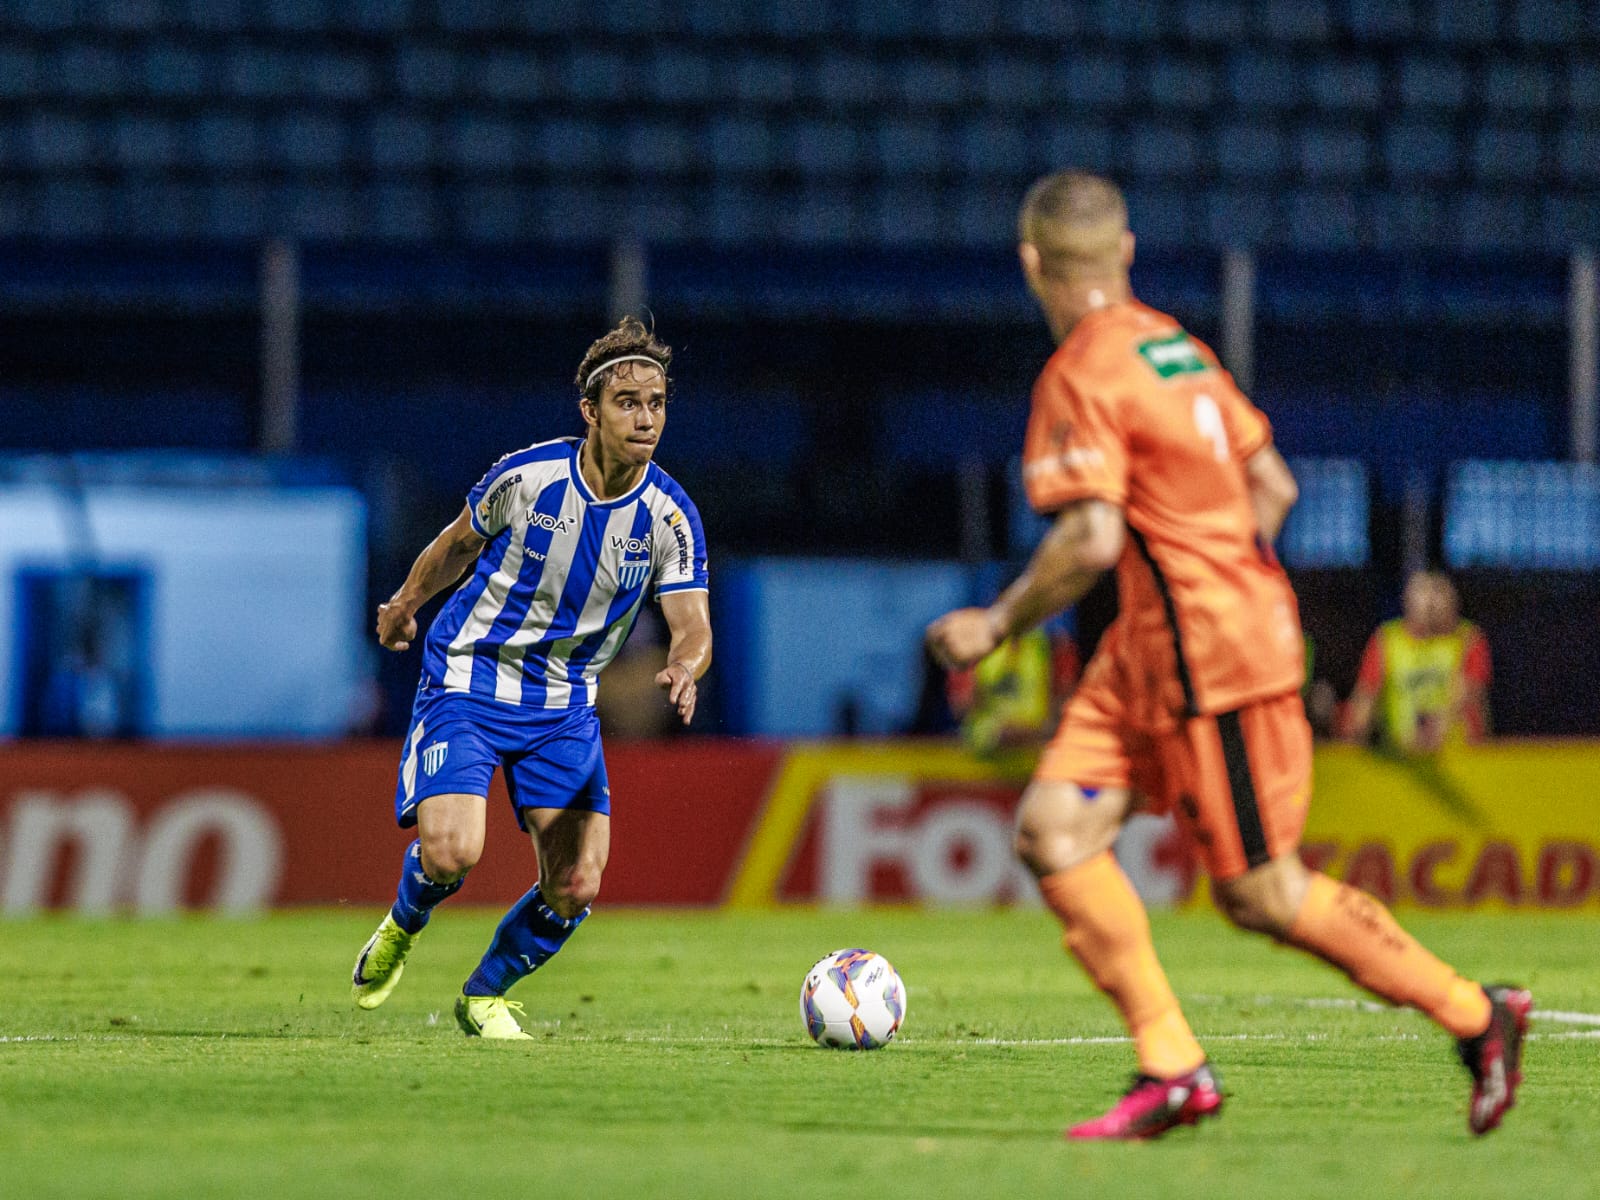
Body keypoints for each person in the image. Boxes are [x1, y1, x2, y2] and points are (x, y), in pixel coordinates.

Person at [925, 172, 1529, 1140]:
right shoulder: (1179, 352)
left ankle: (1475, 1014)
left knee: (1260, 893)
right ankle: (1171, 1066)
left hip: (1211, 657)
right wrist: (1219, 570)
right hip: (1152, 650)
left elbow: (1088, 539)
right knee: (1050, 829)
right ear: (1125, 253)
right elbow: (1275, 487)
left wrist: (995, 624)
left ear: (1031, 263)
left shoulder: (1079, 372)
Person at [350, 316, 711, 1039]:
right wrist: (402, 605)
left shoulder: (670, 515)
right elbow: (455, 546)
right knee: (453, 854)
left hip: (565, 707)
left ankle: (484, 994)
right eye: (627, 402)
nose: (645, 418)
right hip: (470, 678)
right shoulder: (528, 478)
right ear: (590, 411)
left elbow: (693, 621)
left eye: (657, 403)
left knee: (576, 883)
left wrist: (683, 664)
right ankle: (405, 919)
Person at [1343, 570, 1491, 753]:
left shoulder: (1468, 639)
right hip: (1401, 759)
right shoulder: (1387, 639)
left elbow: (1468, 693)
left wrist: (1435, 730)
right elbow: (1365, 698)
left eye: (1438, 592)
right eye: (1423, 593)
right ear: (1407, 600)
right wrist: (1354, 737)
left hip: (1460, 755)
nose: (1431, 603)